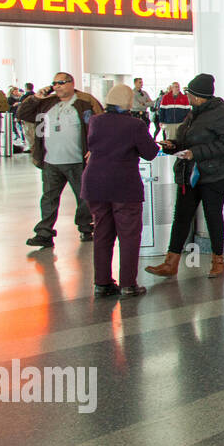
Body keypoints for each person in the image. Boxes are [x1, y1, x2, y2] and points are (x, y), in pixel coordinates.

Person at [146, 74, 224, 279]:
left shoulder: (222, 113)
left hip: (216, 174)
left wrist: (195, 153)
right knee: (181, 216)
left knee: (213, 215)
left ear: (198, 96)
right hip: (189, 173)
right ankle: (170, 263)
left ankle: (218, 260)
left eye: (189, 93)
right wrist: (174, 145)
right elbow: (185, 139)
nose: (186, 96)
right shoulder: (193, 113)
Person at [80, 84, 160, 298]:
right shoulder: (134, 125)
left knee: (102, 234)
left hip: (95, 183)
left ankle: (102, 283)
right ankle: (128, 284)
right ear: (128, 104)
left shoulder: (95, 121)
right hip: (123, 185)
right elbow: (150, 153)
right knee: (129, 235)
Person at [17, 72, 103, 247]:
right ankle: (44, 233)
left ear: (71, 83)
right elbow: (22, 114)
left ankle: (86, 227)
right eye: (54, 83)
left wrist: (94, 149)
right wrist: (35, 98)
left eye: (61, 83)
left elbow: (99, 125)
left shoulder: (84, 103)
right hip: (51, 161)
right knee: (49, 198)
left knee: (84, 197)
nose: (57, 86)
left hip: (77, 161)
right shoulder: (46, 103)